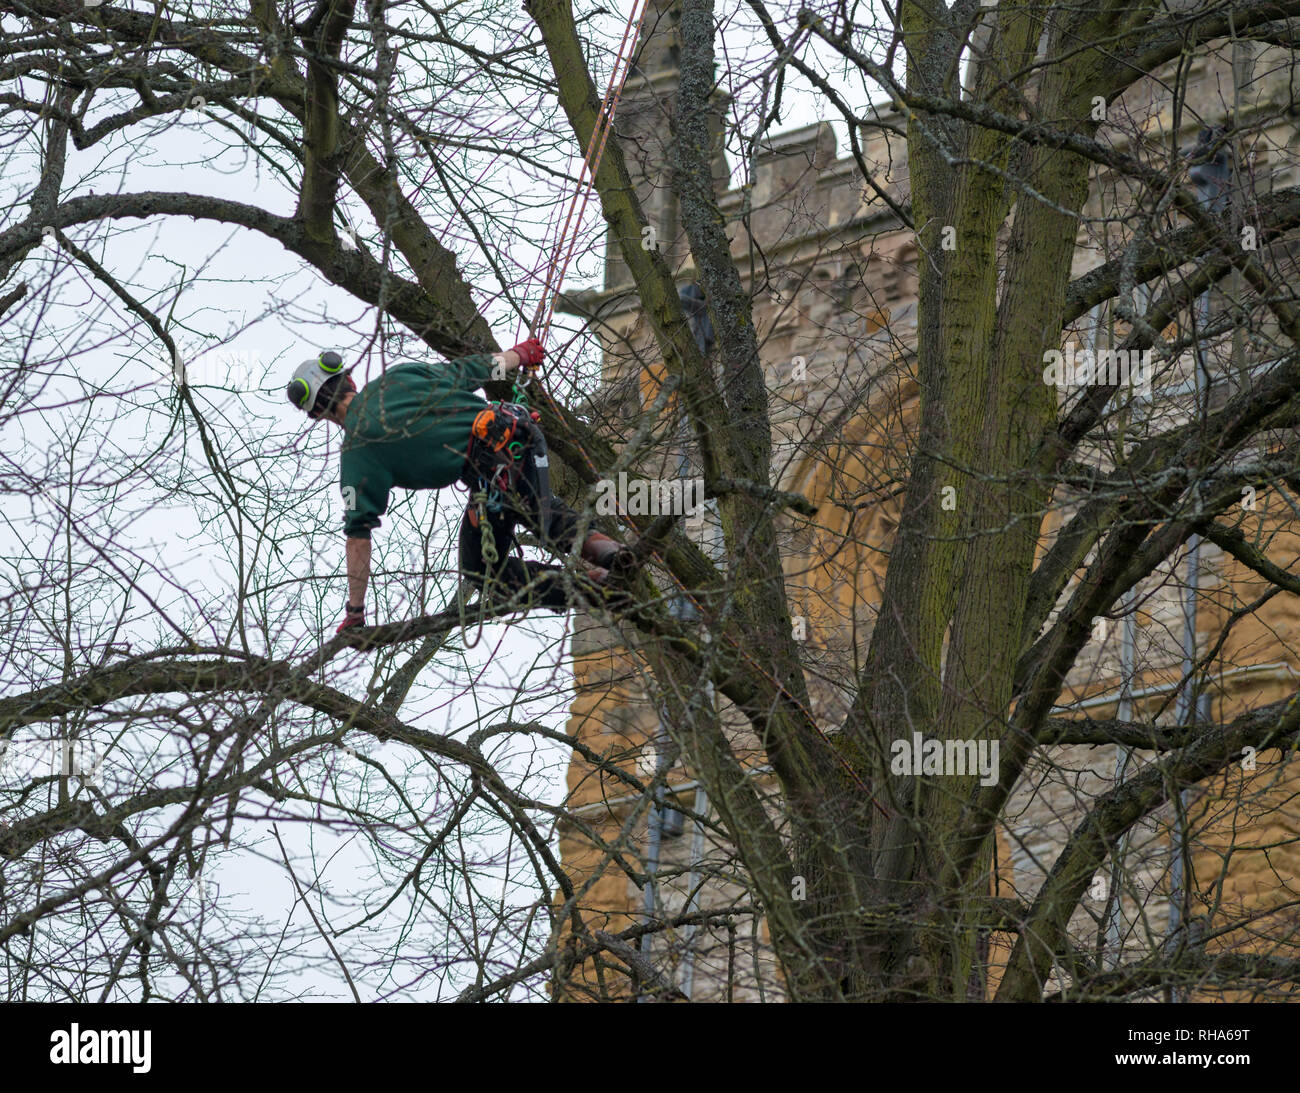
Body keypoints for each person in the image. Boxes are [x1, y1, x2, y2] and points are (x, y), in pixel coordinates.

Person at [286, 340, 631, 634]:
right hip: (510, 441)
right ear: (348, 379)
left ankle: (599, 580)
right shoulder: (398, 379)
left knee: (485, 566)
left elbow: (358, 534)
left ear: (317, 415)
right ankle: (606, 562)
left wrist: (356, 612)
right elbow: (472, 371)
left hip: (491, 469)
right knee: (538, 515)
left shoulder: (356, 455)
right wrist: (520, 356)